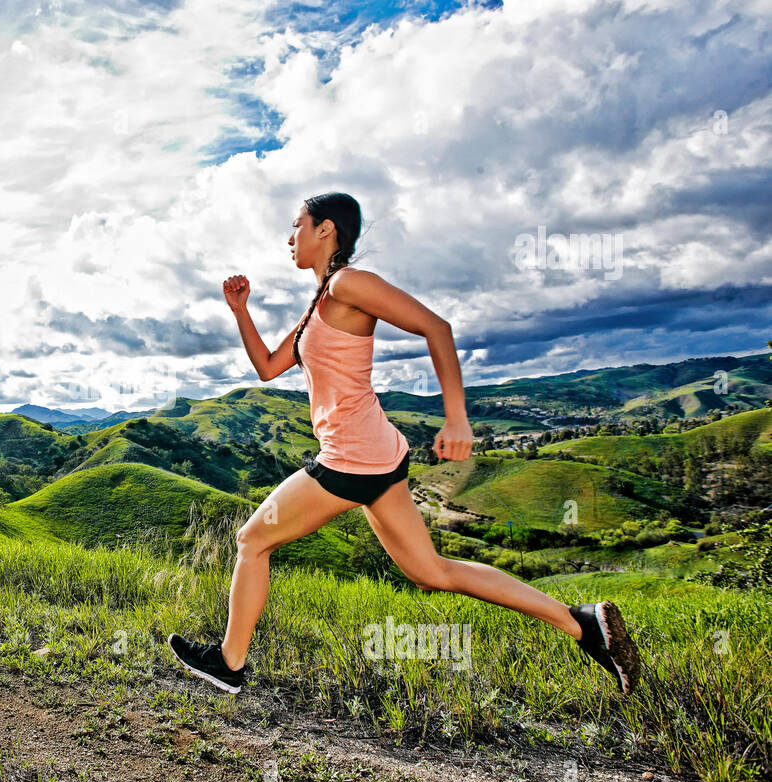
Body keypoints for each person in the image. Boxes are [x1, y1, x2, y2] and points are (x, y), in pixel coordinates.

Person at [168, 192, 642, 697]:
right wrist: (241, 311)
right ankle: (583, 624)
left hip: (352, 458)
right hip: (375, 456)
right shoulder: (319, 304)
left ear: (326, 229)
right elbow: (266, 367)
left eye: (297, 226)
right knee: (431, 571)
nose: (290, 238)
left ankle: (229, 663)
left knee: (252, 540)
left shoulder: (349, 283)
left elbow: (435, 327)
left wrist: (456, 419)